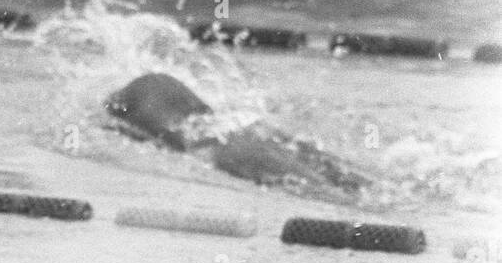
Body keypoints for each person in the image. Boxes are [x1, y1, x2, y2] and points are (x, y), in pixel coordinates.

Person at [107, 72, 367, 195]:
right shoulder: (156, 82)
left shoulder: (131, 109)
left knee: (329, 194)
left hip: (224, 148)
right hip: (247, 127)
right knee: (359, 182)